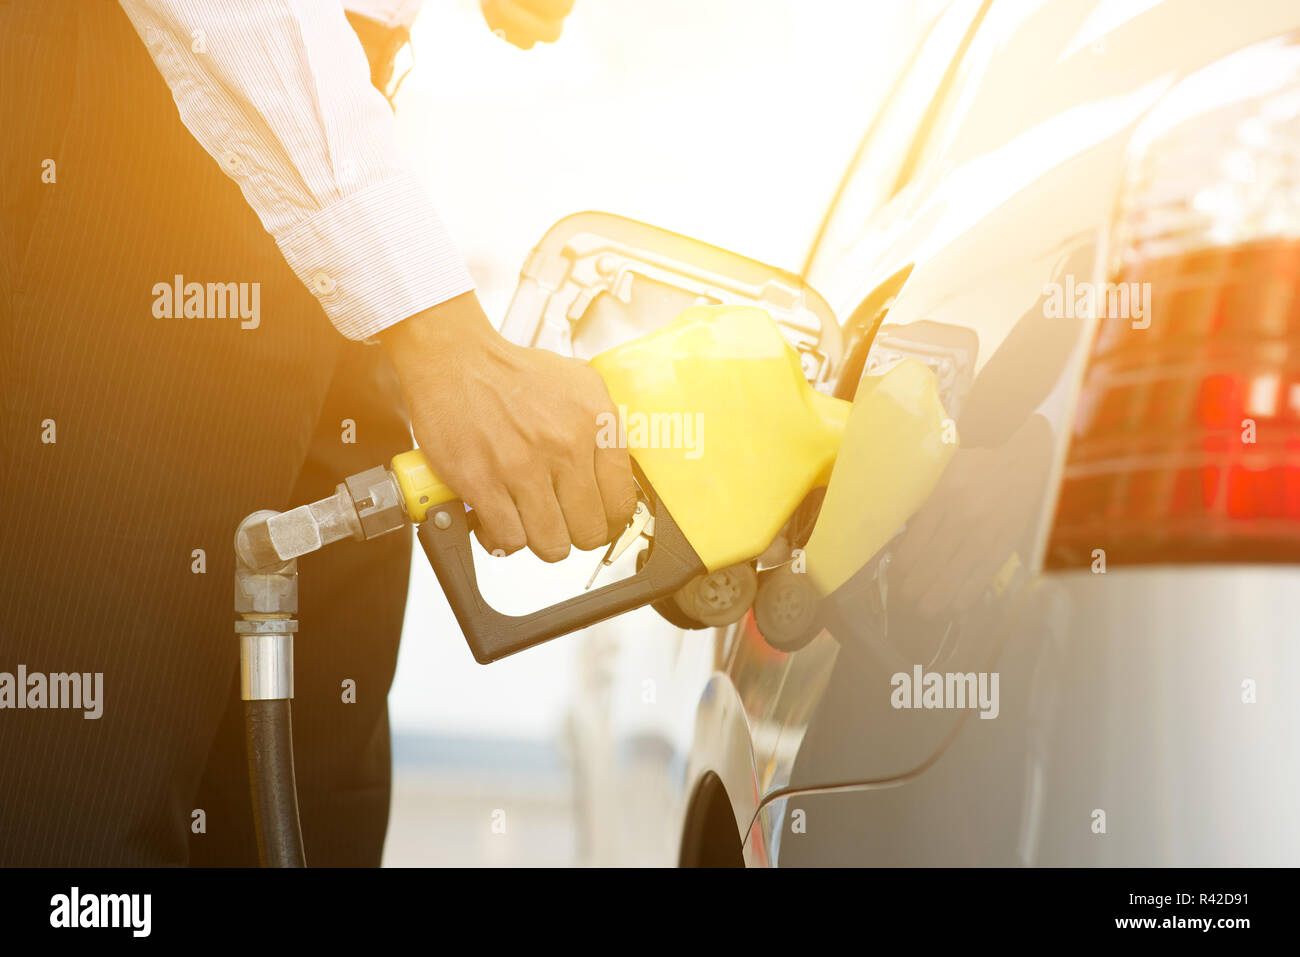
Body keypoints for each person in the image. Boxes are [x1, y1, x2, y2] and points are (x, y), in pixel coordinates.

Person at [0, 0, 633, 866]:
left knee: (304, 810)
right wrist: (439, 332)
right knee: (80, 828)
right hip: (137, 139)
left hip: (318, 163)